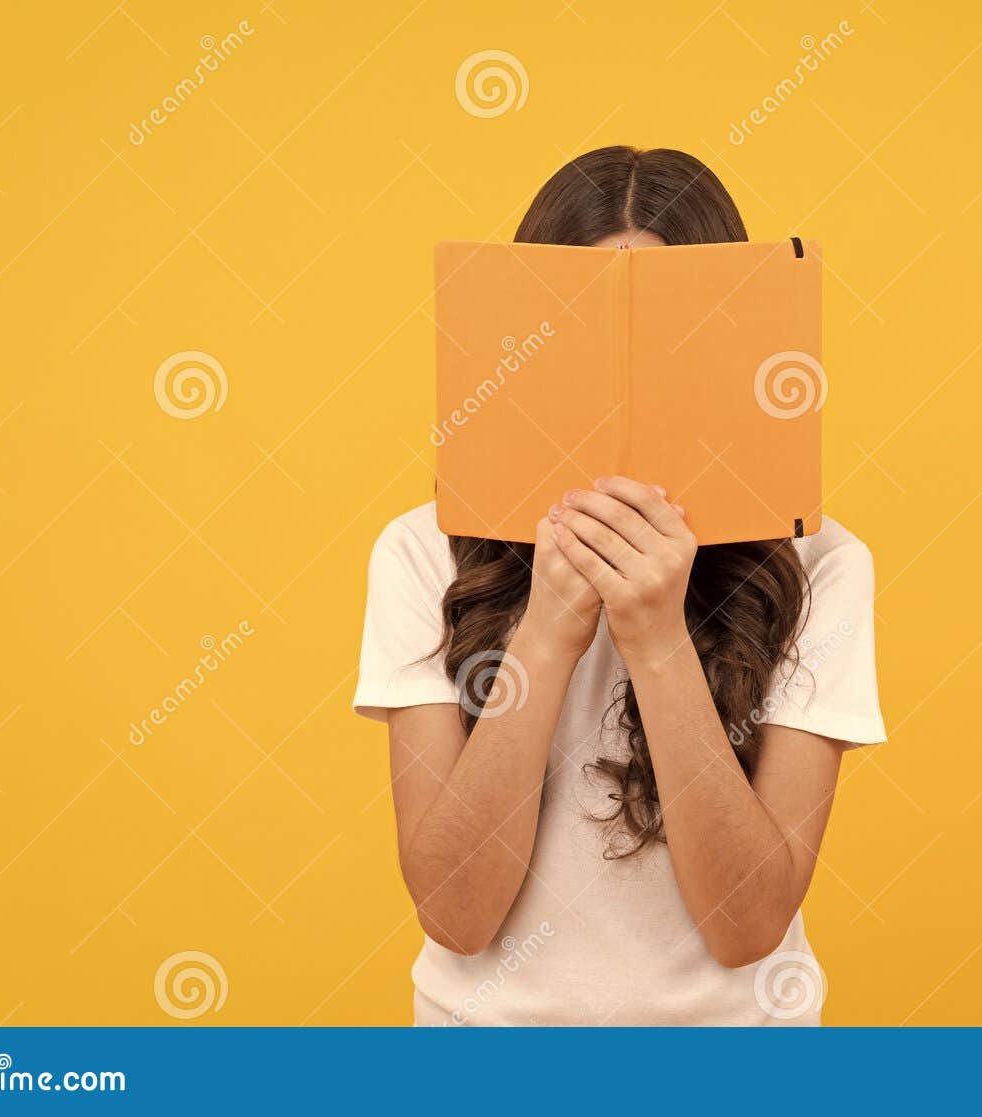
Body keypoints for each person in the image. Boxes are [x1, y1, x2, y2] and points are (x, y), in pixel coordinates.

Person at [354, 146, 884, 1025]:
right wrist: (547, 632)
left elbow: (748, 924)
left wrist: (657, 639)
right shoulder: (421, 552)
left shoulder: (823, 565)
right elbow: (455, 911)